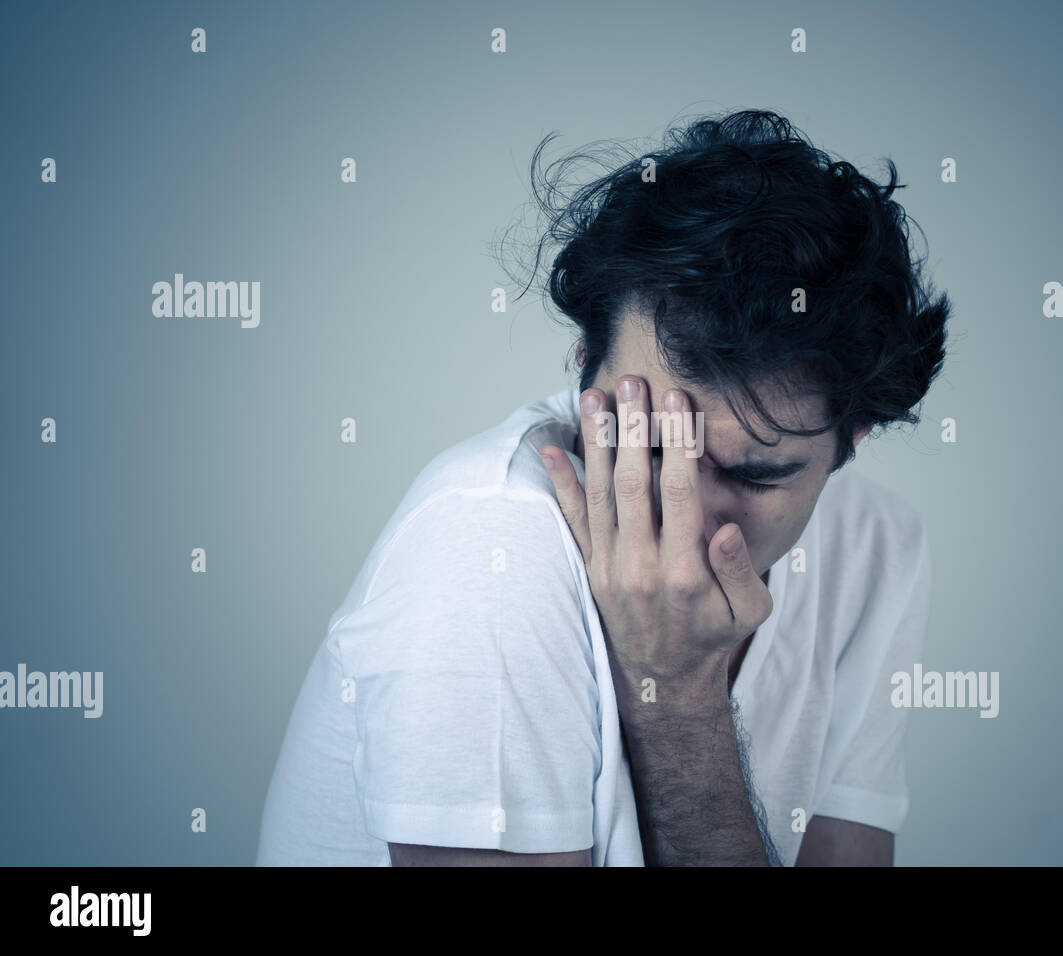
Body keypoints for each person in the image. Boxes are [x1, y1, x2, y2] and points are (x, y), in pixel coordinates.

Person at [256, 109, 950, 866]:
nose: (684, 519)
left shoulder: (877, 544)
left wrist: (680, 692)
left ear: (852, 442)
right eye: (647, 442)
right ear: (584, 365)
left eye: (755, 474)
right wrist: (678, 694)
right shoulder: (489, 543)